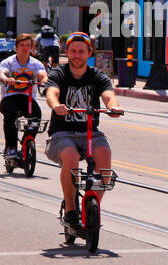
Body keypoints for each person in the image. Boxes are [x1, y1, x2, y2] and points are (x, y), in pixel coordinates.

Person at [43, 33, 124, 226]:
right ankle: (71, 209)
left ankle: (92, 206)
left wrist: (113, 107)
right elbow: (51, 92)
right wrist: (56, 105)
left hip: (90, 132)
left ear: (89, 53)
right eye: (73, 51)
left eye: (81, 51)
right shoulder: (59, 74)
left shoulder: (98, 76)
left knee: (104, 156)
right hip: (62, 134)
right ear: (67, 53)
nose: (77, 55)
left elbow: (108, 95)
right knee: (70, 158)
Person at [0, 35, 48, 157]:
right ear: (16, 47)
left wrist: (45, 80)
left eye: (28, 46)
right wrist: (6, 79)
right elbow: (2, 73)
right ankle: (11, 148)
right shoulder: (8, 62)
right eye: (22, 45)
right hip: (10, 98)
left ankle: (27, 143)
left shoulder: (35, 63)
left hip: (28, 99)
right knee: (11, 114)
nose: (25, 48)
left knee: (36, 116)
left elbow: (42, 74)